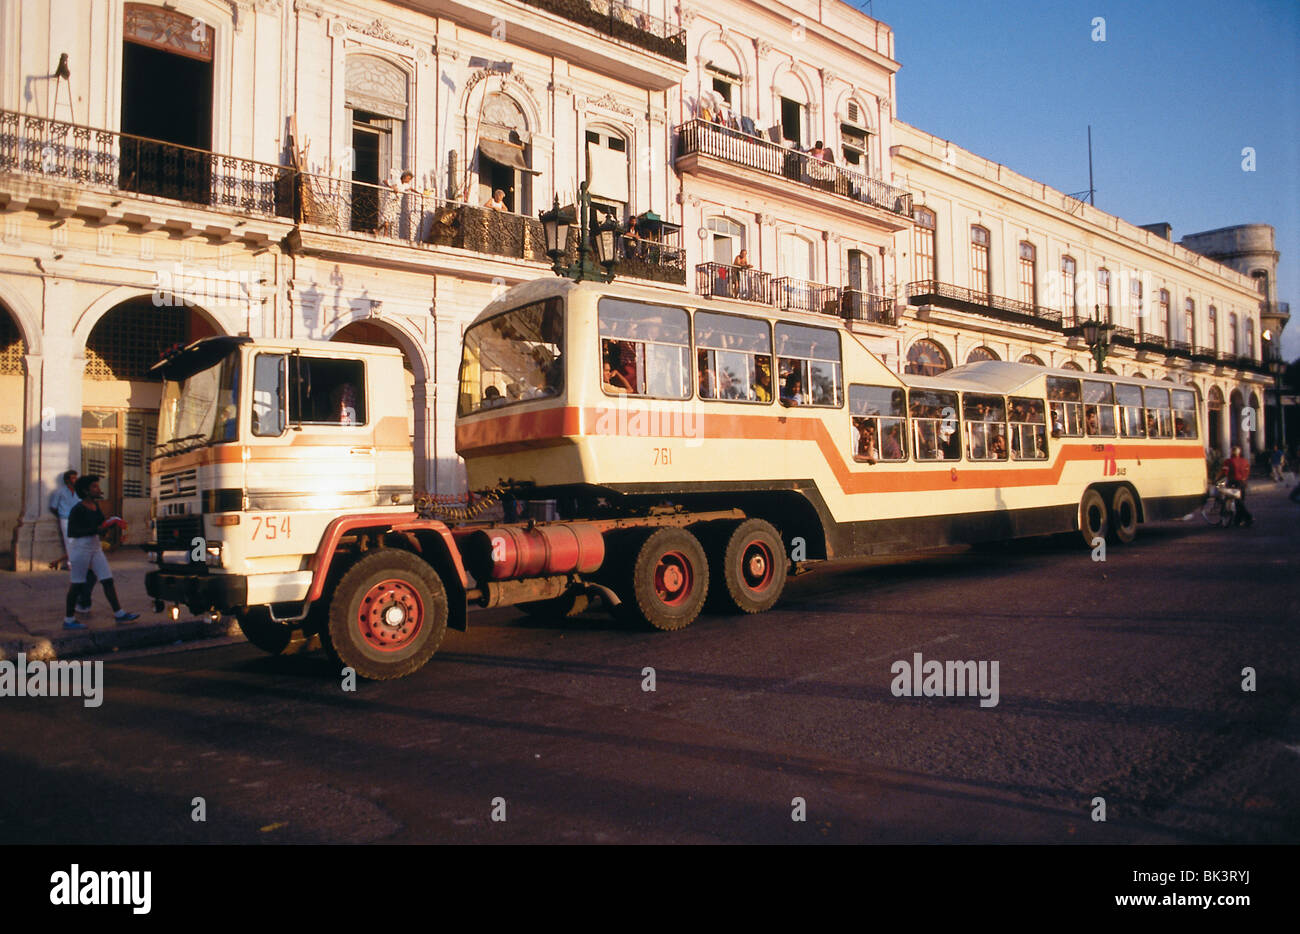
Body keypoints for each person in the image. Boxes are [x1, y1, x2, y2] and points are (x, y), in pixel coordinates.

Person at [62, 474, 139, 629]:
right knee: (76, 584)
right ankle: (69, 619)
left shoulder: (96, 507)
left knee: (107, 579)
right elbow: (73, 531)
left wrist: (112, 525)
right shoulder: (78, 509)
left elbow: (102, 526)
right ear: (85, 490)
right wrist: (97, 529)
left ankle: (119, 613)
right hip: (80, 549)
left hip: (95, 548)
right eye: (94, 487)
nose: (98, 489)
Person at [48, 471, 93, 611]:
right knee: (69, 542)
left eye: (76, 477)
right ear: (67, 480)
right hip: (65, 518)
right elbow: (53, 507)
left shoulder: (80, 492)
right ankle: (71, 563)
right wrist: (63, 514)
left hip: (77, 518)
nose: (75, 479)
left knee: (77, 541)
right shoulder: (60, 492)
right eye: (73, 478)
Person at [1218, 444, 1254, 528]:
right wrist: (1244, 478)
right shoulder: (1245, 461)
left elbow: (1224, 473)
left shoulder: (1228, 461)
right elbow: (1247, 472)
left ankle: (1248, 517)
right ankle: (1238, 520)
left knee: (1236, 501)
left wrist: (1216, 480)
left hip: (1233, 483)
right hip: (1243, 483)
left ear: (1232, 452)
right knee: (1240, 501)